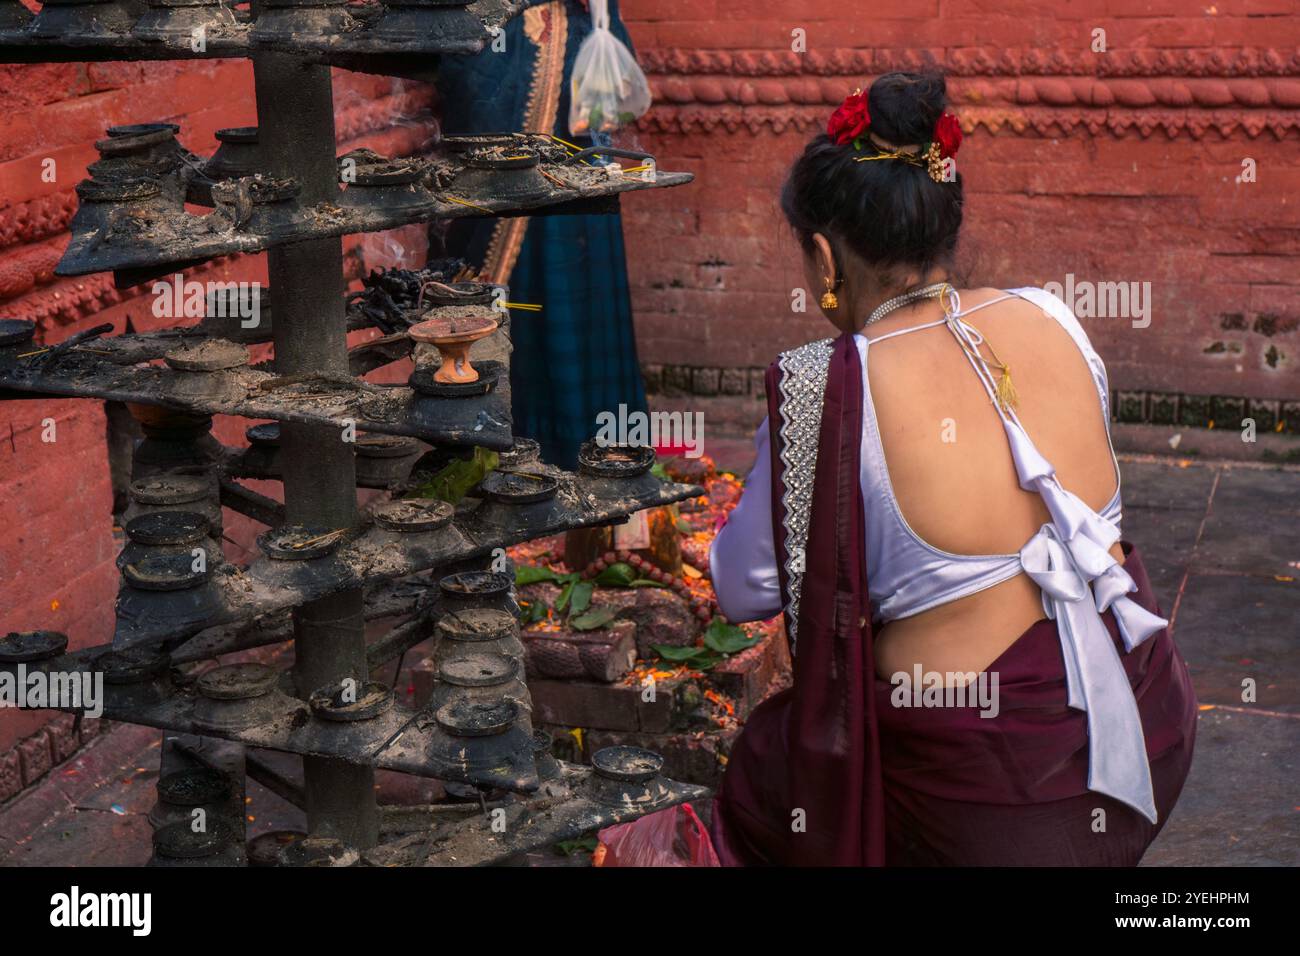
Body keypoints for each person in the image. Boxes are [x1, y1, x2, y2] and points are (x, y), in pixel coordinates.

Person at [706, 72, 1198, 866]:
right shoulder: (1052, 314)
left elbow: (741, 587)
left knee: (768, 770)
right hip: (1155, 727)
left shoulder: (825, 387)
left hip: (997, 807)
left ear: (825, 259)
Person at [433, 0, 649, 469]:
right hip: (516, 86)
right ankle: (516, 449)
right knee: (523, 297)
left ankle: (595, 452)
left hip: (575, 127)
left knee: (580, 291)